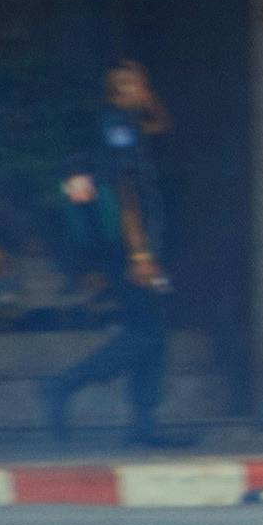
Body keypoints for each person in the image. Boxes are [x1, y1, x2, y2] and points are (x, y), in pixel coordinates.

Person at [41, 58, 187, 450]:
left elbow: (162, 125)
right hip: (129, 249)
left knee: (151, 333)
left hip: (132, 247)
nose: (143, 91)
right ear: (118, 93)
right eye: (134, 86)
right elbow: (123, 191)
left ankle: (142, 424)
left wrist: (148, 96)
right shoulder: (117, 128)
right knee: (146, 333)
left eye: (142, 83)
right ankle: (62, 387)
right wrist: (140, 255)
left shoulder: (129, 124)